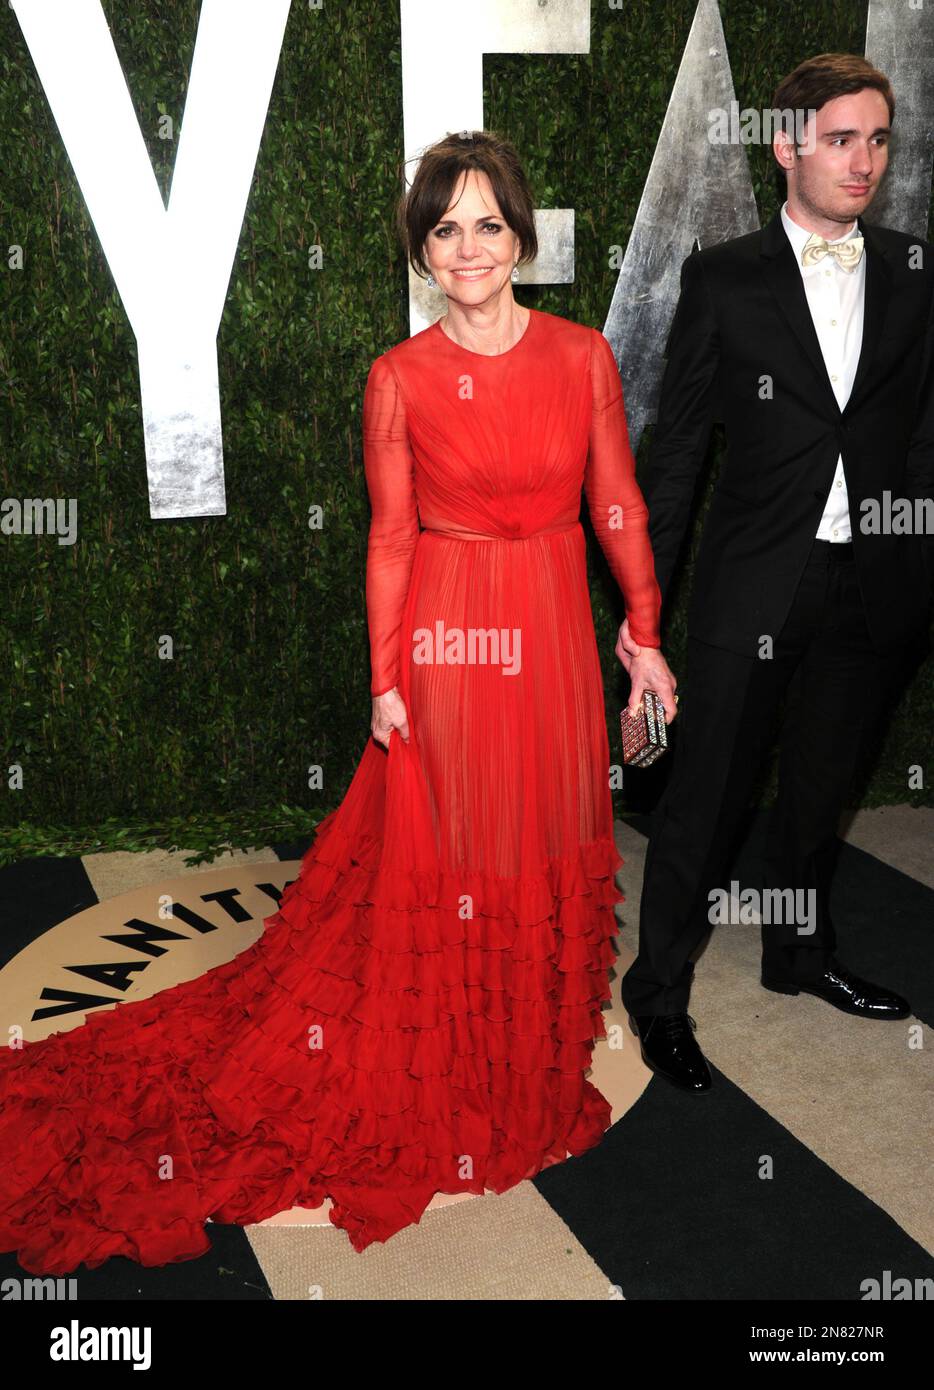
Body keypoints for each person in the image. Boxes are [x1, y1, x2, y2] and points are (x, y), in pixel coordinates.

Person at [0, 129, 676, 1274]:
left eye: (488, 225)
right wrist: (383, 679)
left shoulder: (580, 357)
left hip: (554, 630)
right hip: (454, 633)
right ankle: (458, 1058)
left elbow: (616, 506)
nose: (468, 248)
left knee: (544, 837)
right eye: (445, 228)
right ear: (422, 248)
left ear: (520, 237)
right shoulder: (398, 378)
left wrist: (645, 634)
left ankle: (521, 1045)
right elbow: (391, 535)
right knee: (456, 852)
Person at [620, 53, 934, 1093]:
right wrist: (645, 615)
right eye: (841, 138)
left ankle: (799, 954)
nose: (864, 160)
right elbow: (677, 457)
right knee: (702, 801)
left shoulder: (913, 270)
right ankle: (657, 991)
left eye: (878, 139)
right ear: (784, 145)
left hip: (873, 588)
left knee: (821, 792)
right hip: (752, 588)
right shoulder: (723, 277)